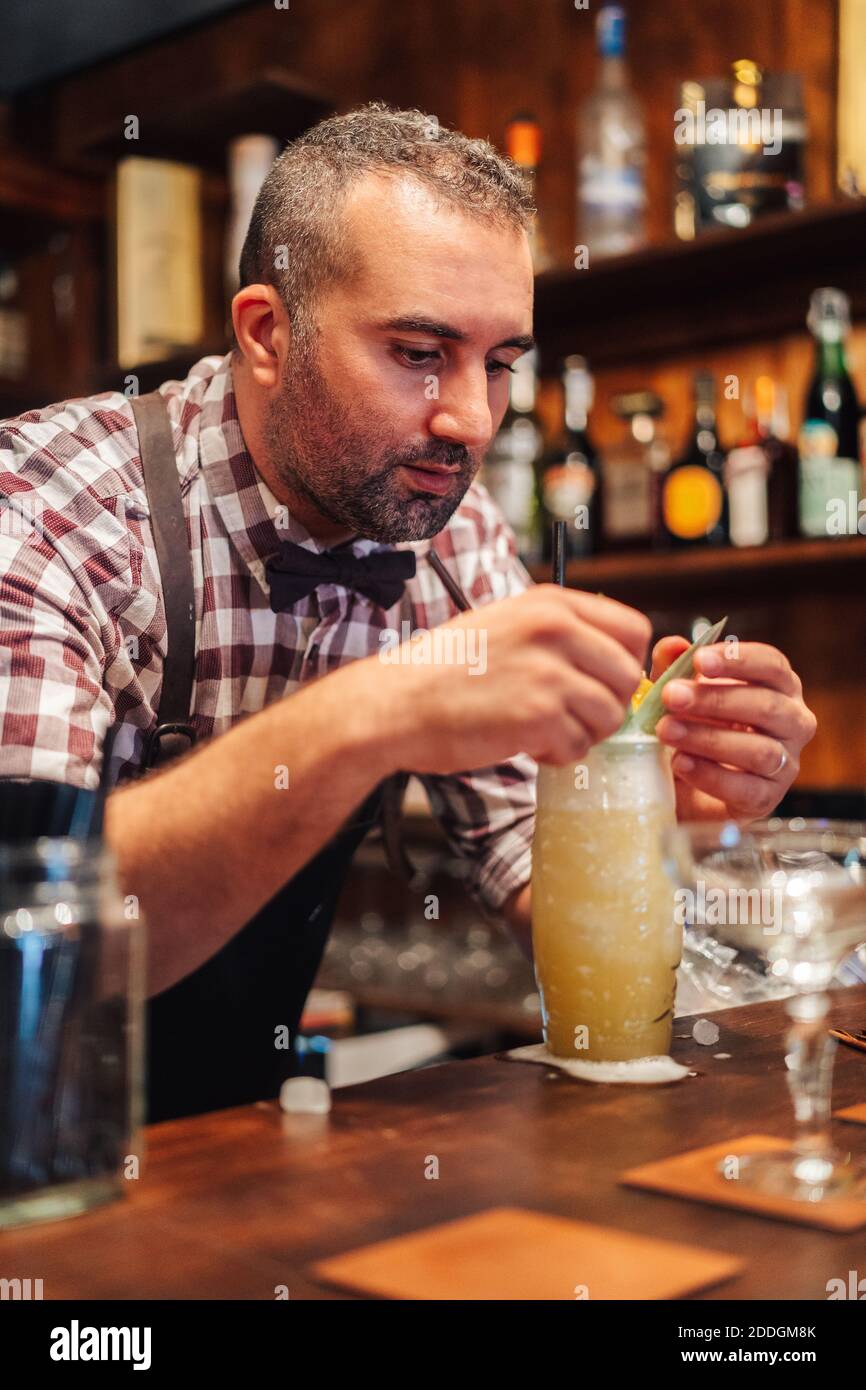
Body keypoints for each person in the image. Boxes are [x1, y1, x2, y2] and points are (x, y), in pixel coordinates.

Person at [0, 104, 816, 1120]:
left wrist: (676, 815)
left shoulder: (450, 539)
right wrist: (375, 710)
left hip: (228, 1153)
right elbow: (30, 943)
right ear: (267, 331)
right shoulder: (46, 513)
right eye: (419, 352)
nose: (469, 420)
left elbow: (540, 877)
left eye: (501, 363)